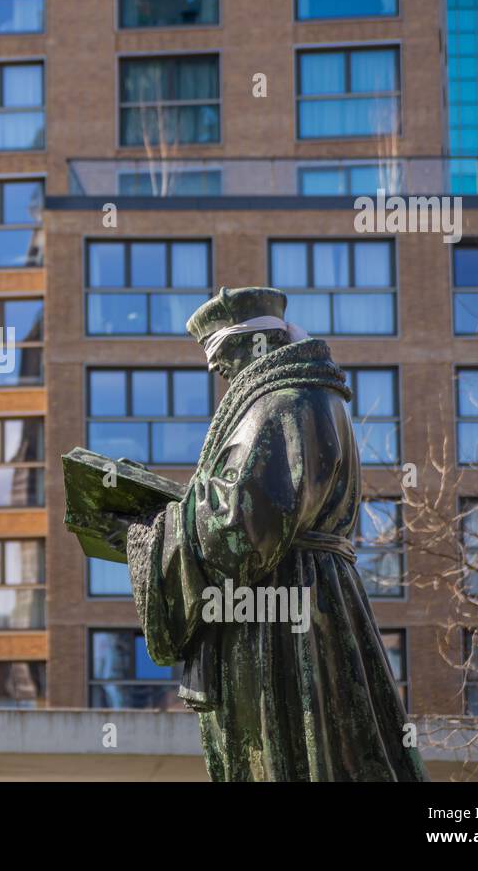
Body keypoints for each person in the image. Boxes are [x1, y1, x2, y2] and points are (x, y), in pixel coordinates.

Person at [122, 286, 426, 781]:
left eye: (222, 358)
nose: (218, 373)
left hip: (280, 611)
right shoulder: (314, 397)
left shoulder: (281, 402)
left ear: (254, 345)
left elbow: (241, 529)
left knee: (290, 752)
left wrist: (150, 530)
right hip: (314, 597)